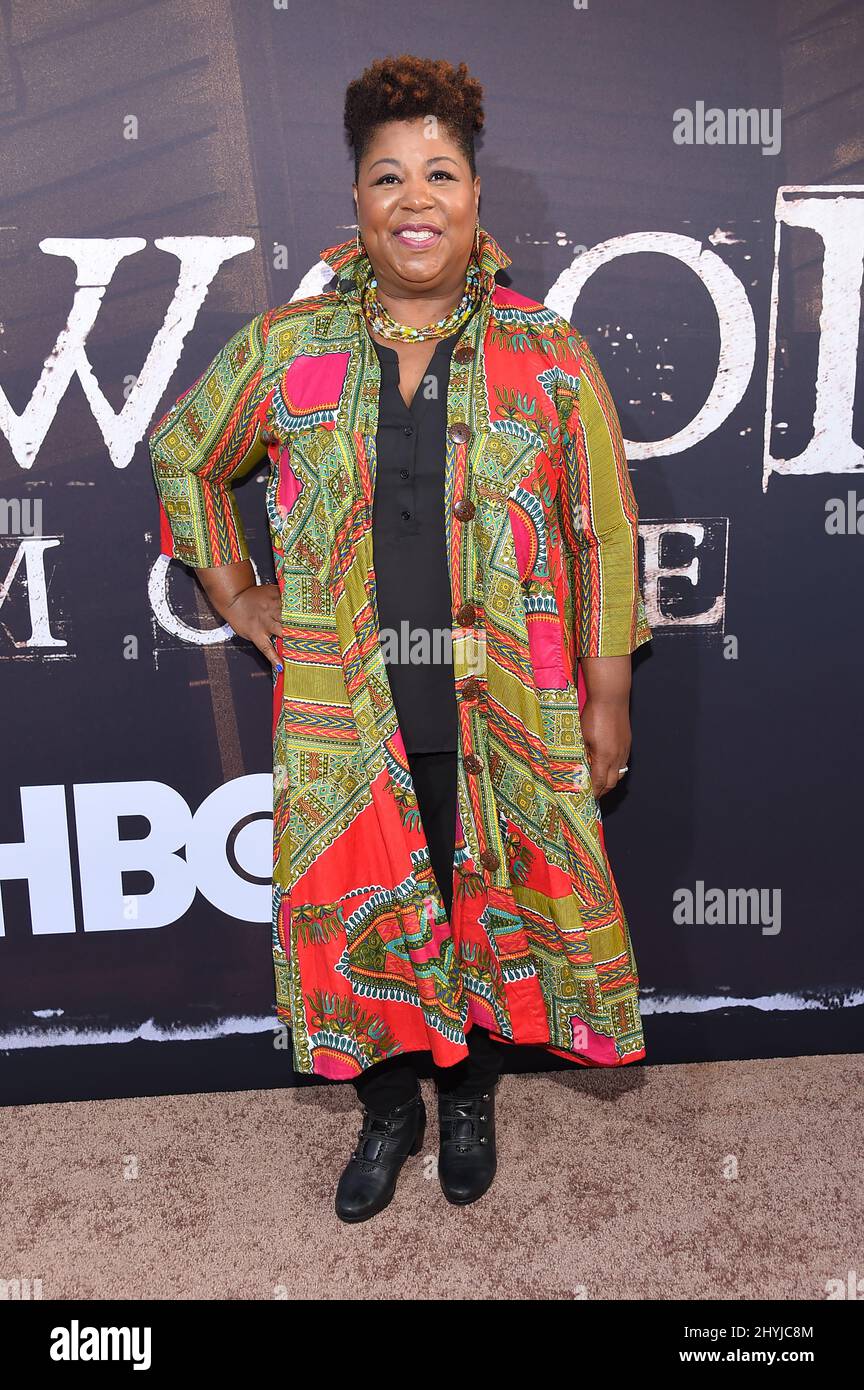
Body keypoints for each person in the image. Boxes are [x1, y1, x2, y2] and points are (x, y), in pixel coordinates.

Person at [149, 54, 653, 1226]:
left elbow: (605, 535)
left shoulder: (550, 355)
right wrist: (236, 591)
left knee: (480, 904)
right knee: (361, 904)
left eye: (439, 171)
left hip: (503, 709)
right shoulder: (288, 350)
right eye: (388, 176)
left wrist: (609, 691)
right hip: (347, 710)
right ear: (358, 202)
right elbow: (187, 450)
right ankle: (389, 1111)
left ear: (475, 194)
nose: (414, 198)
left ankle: (468, 1094)